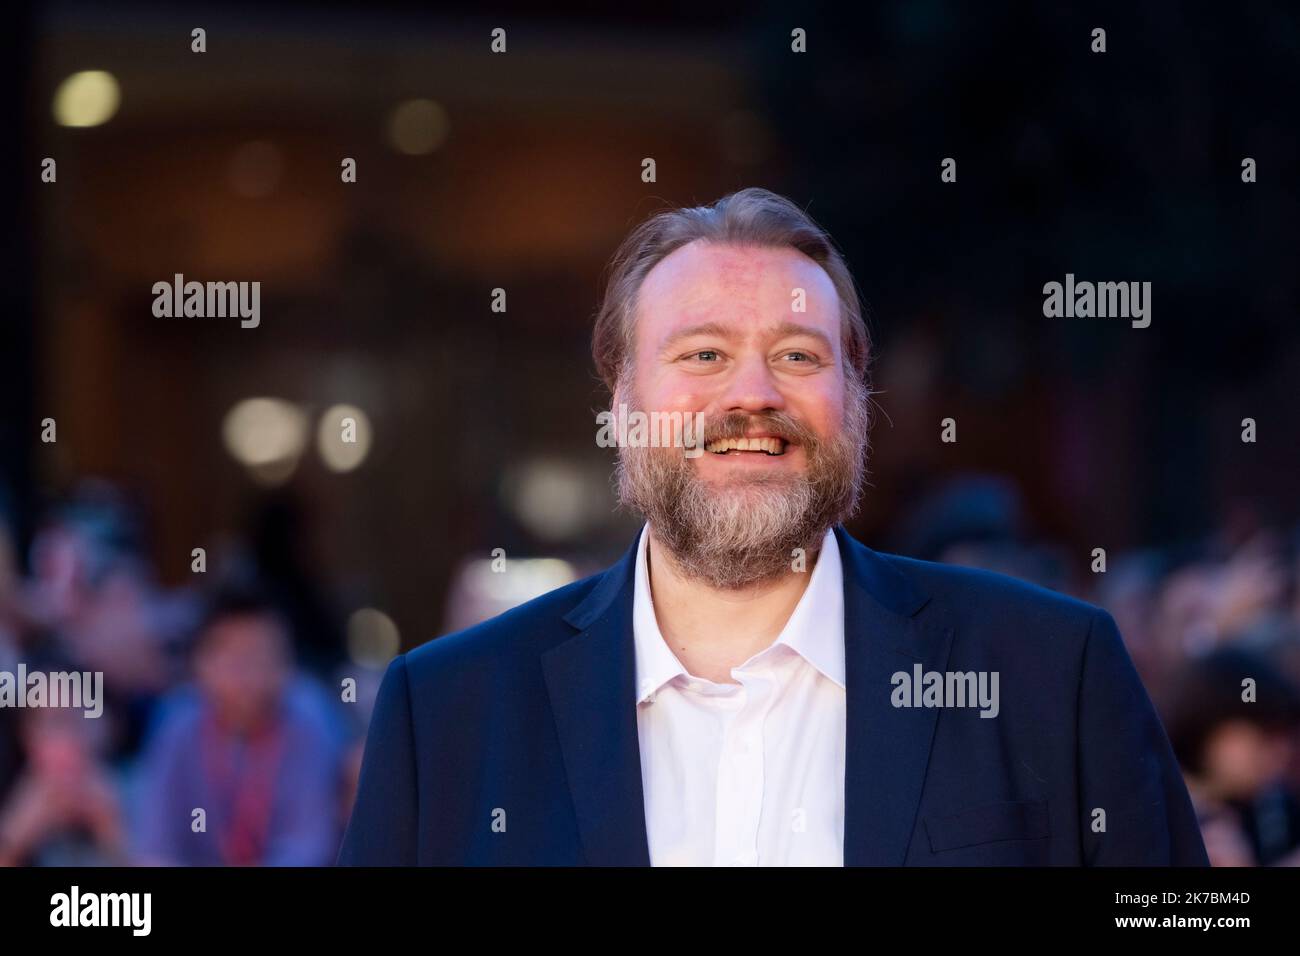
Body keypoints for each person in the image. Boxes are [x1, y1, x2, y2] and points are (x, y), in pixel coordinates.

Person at [338, 187, 1208, 866]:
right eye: (702, 354)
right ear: (624, 402)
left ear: (855, 403)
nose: (752, 393)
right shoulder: (446, 715)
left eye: (798, 355)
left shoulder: (1054, 674)